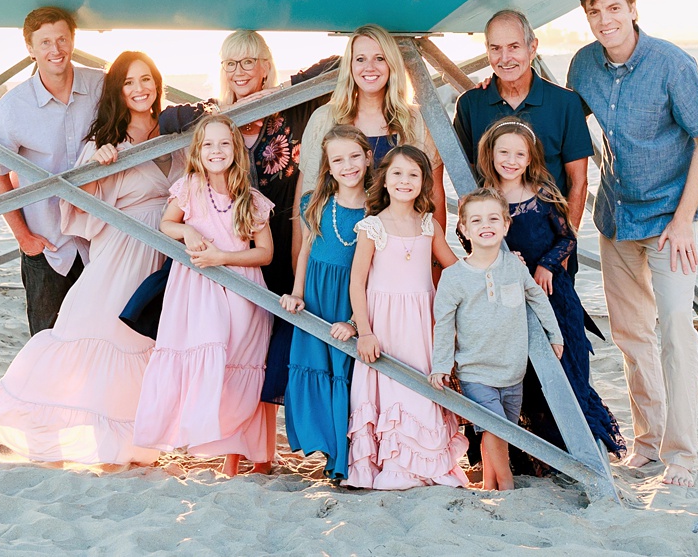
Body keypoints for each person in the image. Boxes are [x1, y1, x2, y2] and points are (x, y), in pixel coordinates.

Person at [0, 52, 178, 465]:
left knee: (151, 346)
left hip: (168, 251)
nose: (139, 89)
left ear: (157, 83)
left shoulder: (175, 132)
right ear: (118, 90)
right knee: (101, 335)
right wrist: (97, 167)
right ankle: (59, 432)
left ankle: (138, 439)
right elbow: (77, 204)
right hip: (124, 251)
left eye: (146, 79)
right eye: (129, 82)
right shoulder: (104, 142)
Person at [567, 0, 698, 489]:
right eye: (594, 11)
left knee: (677, 326)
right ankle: (649, 442)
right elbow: (567, 130)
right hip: (615, 218)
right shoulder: (583, 65)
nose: (604, 20)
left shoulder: (672, 63)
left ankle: (682, 453)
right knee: (632, 335)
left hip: (669, 222)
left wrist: (683, 222)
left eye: (614, 8)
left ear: (632, 8)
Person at [158, 30, 312, 467]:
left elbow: (327, 70)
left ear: (266, 66)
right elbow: (166, 119)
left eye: (250, 62)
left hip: (277, 245)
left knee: (261, 356)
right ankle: (228, 449)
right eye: (231, 63)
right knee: (224, 351)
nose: (240, 71)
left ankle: (259, 451)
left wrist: (280, 89)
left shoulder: (289, 113)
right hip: (220, 252)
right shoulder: (213, 120)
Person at [134, 115, 276, 476]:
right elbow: (165, 224)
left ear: (236, 150)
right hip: (198, 292)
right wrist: (186, 231)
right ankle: (213, 446)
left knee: (241, 370)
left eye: (224, 143)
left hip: (243, 291)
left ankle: (248, 459)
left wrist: (223, 258)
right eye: (209, 144)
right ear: (198, 151)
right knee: (212, 363)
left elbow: (265, 253)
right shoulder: (190, 187)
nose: (217, 150)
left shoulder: (252, 199)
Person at [474, 118, 625, 459]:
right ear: (490, 154)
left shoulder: (542, 193)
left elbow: (567, 236)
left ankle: (585, 448)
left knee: (568, 366)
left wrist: (547, 264)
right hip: (512, 302)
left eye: (519, 154)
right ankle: (543, 453)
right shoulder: (485, 200)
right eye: (504, 152)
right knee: (527, 378)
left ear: (530, 158)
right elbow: (466, 235)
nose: (511, 160)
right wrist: (498, 253)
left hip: (554, 294)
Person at [0, 6, 103, 336]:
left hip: (102, 238)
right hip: (48, 245)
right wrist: (23, 237)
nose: (55, 50)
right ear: (30, 49)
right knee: (46, 343)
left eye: (62, 39)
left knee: (104, 340)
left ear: (73, 40)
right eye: (44, 42)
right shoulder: (13, 106)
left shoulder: (102, 86)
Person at [344, 145, 467, 490]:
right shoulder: (371, 226)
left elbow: (454, 269)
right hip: (383, 322)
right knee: (389, 388)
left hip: (422, 321)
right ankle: (393, 465)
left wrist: (495, 266)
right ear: (384, 180)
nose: (404, 181)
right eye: (397, 173)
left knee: (422, 388)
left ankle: (428, 464)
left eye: (413, 174)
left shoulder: (428, 225)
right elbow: (357, 282)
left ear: (424, 182)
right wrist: (364, 331)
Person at [431, 188, 565, 491]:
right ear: (464, 229)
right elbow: (443, 324)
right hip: (475, 370)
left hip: (512, 370)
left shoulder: (514, 267)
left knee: (504, 428)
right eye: (476, 220)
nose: (485, 225)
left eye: (493, 218)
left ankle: (490, 484)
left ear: (506, 225)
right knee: (495, 428)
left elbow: (538, 299)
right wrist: (440, 364)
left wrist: (554, 335)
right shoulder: (454, 277)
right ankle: (506, 485)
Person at [279, 126, 373, 481]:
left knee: (345, 377)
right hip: (316, 299)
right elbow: (305, 252)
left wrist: (353, 319)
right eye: (338, 160)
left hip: (350, 301)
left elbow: (374, 276)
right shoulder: (314, 203)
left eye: (353, 156)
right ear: (329, 167)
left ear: (367, 157)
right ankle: (328, 455)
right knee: (315, 368)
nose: (347, 165)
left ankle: (344, 461)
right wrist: (297, 293)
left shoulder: (377, 209)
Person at [453, 9, 596, 229]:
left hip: (552, 245)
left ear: (532, 48)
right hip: (493, 246)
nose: (504, 58)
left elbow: (578, 183)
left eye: (514, 47)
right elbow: (467, 182)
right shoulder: (470, 105)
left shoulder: (566, 103)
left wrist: (566, 246)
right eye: (496, 49)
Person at [297, 25, 436, 215]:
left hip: (397, 240)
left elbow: (433, 193)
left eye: (379, 58)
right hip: (336, 240)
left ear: (391, 64)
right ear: (350, 66)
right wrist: (300, 246)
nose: (369, 67)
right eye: (360, 59)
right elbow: (306, 195)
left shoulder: (416, 121)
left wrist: (432, 244)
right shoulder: (323, 119)